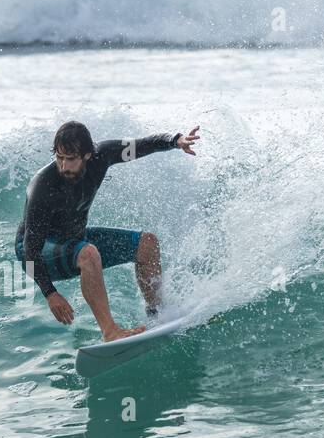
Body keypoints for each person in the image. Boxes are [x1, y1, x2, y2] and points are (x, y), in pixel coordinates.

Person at [15, 121, 200, 340]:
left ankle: (158, 316)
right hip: (38, 252)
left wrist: (174, 141)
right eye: (59, 157)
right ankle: (110, 331)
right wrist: (50, 293)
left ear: (87, 155)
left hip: (74, 239)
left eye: (71, 159)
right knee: (88, 253)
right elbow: (29, 249)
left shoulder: (103, 155)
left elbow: (141, 146)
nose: (63, 166)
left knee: (147, 243)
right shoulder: (43, 185)